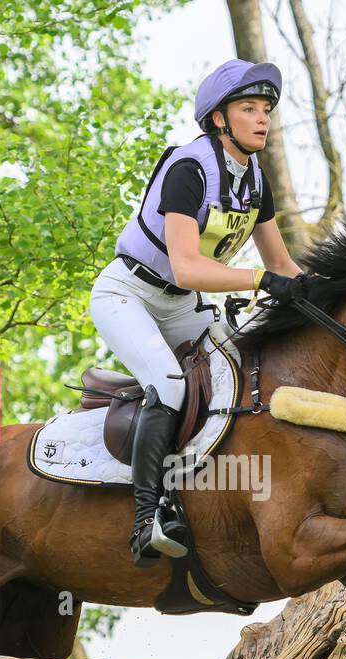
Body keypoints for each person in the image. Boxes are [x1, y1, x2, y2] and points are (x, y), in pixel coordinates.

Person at [93, 58, 307, 566]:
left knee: (246, 373)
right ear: (218, 119)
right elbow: (188, 267)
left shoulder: (255, 180)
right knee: (169, 385)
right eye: (249, 108)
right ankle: (146, 520)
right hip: (128, 295)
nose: (263, 118)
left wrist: (332, 299)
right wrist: (259, 280)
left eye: (267, 109)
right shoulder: (189, 170)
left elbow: (282, 264)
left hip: (180, 306)